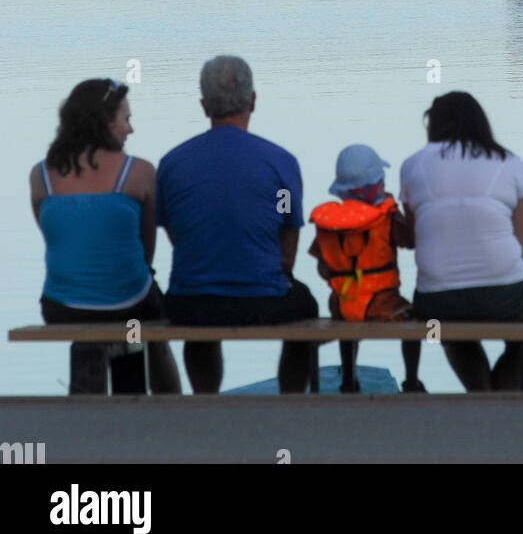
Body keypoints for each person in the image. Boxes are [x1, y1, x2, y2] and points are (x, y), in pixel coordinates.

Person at [156, 56, 318, 393]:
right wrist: (276, 264)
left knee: (198, 303)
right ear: (253, 100)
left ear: (204, 106)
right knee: (307, 307)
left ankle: (206, 399)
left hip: (191, 302)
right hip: (263, 299)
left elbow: (178, 231)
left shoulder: (173, 165)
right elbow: (287, 225)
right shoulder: (280, 164)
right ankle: (291, 398)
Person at [29, 78, 180, 393]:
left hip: (61, 307)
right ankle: (168, 410)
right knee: (147, 317)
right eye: (126, 119)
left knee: (108, 310)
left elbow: (57, 239)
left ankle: (88, 411)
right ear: (105, 123)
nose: (130, 129)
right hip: (130, 303)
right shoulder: (139, 172)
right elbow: (145, 249)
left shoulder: (41, 175)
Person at [400, 91, 523, 392]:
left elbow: (417, 237)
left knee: (453, 331)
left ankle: (482, 393)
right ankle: (500, 394)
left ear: (432, 125)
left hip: (437, 298)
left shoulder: (412, 165)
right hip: (506, 293)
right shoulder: (509, 162)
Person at [309, 144, 424, 393]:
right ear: (377, 183)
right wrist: (405, 208)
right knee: (420, 322)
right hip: (384, 305)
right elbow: (411, 241)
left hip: (342, 305)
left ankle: (349, 379)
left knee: (346, 322)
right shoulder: (387, 217)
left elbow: (323, 270)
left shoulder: (331, 224)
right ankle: (412, 381)